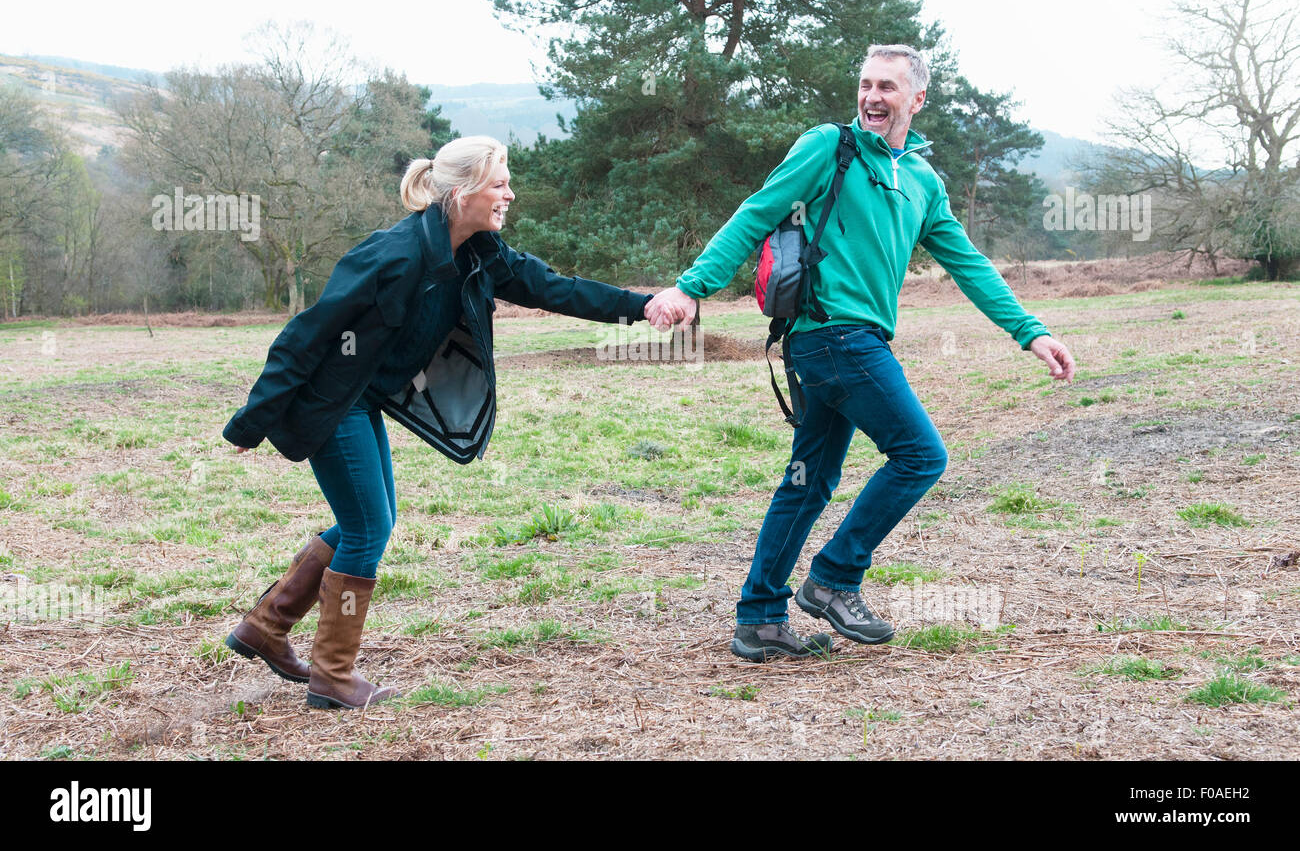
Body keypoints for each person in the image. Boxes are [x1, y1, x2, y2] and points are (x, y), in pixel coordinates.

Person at [223, 135, 686, 709]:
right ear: (463, 192)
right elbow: (306, 334)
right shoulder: (391, 254)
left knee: (372, 521)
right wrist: (251, 422)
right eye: (500, 183)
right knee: (367, 530)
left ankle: (268, 625)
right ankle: (332, 674)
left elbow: (553, 289)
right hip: (331, 402)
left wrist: (640, 305)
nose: (509, 194)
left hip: (365, 399)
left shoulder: (480, 253)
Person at [647, 45, 1076, 663]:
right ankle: (834, 579)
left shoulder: (924, 182)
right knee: (921, 456)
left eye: (888, 87)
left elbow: (969, 264)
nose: (873, 97)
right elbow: (757, 212)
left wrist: (1029, 331)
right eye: (866, 84)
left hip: (844, 345)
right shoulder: (828, 146)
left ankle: (760, 618)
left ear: (917, 99)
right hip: (832, 338)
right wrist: (691, 286)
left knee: (809, 481)